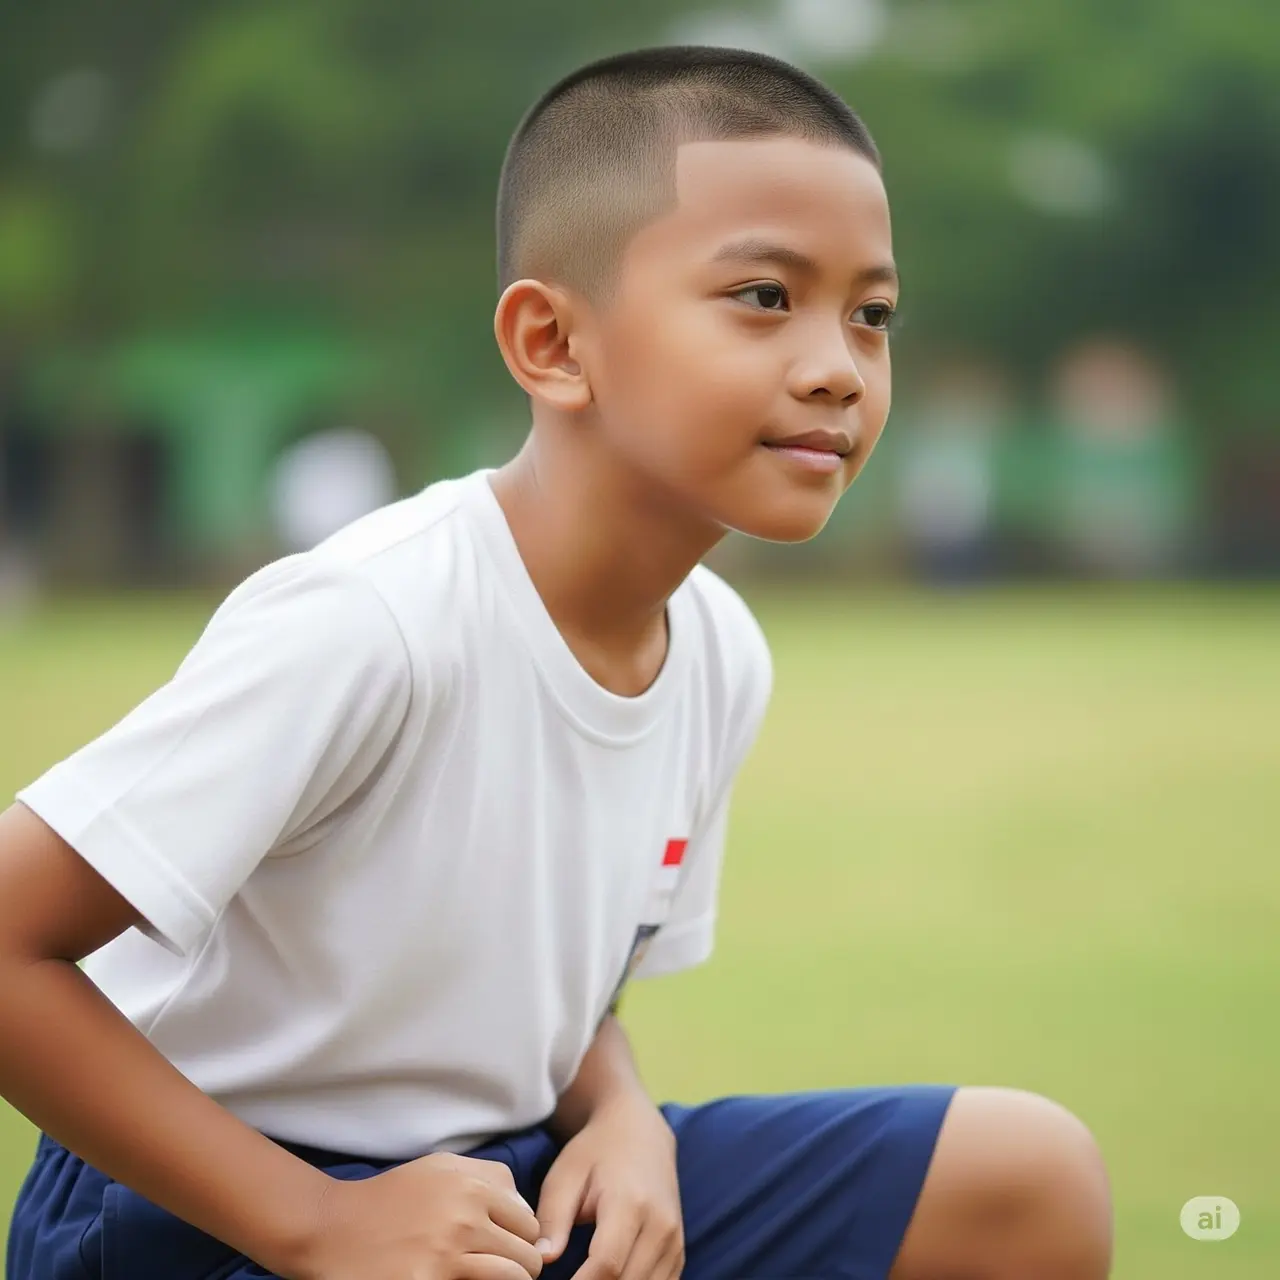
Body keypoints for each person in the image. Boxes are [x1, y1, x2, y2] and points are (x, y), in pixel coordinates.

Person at [0, 46, 1113, 1280]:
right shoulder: (374, 621)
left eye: (871, 314)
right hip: (203, 1210)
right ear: (551, 342)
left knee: (1023, 1179)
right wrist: (321, 1222)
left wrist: (622, 1116)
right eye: (761, 295)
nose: (835, 367)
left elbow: (561, 1006)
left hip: (498, 1172)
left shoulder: (719, 653)